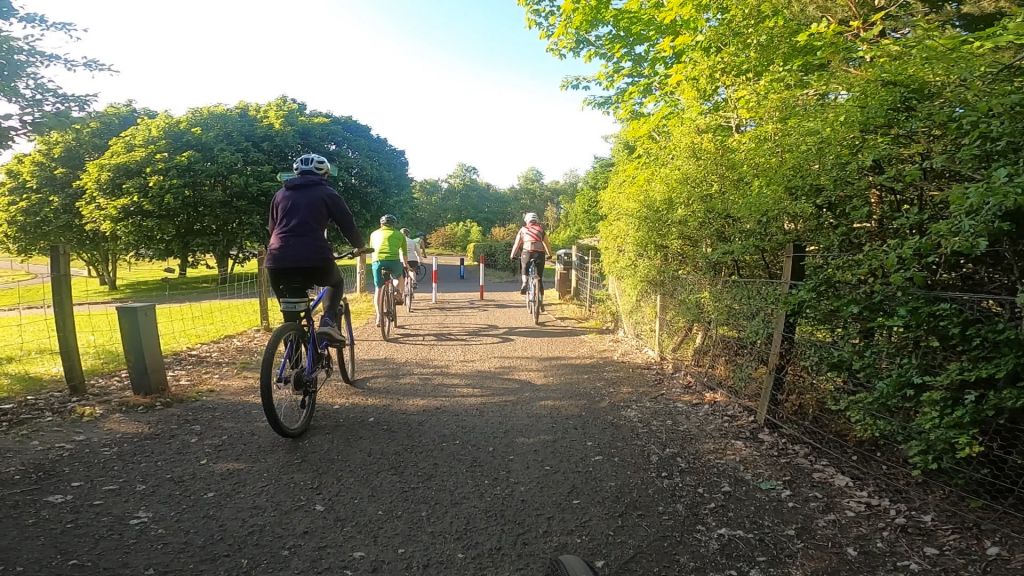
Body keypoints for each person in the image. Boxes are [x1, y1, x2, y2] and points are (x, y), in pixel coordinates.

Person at [265, 153, 365, 344]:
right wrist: (359, 245)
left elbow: (272, 228)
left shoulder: (280, 194)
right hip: (314, 256)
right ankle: (328, 322)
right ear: (325, 174)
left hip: (277, 259)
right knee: (335, 283)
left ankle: (293, 367)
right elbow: (347, 224)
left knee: (290, 317)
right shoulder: (327, 193)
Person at [370, 214, 407, 326]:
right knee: (399, 276)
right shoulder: (400, 234)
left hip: (378, 261)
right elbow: (404, 253)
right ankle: (398, 293)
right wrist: (405, 265)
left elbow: (372, 248)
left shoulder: (374, 234)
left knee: (378, 288)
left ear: (381, 224)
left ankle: (379, 317)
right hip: (394, 261)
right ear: (394, 225)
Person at [510, 212, 553, 295]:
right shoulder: (541, 230)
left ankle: (525, 283)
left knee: (524, 268)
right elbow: (547, 244)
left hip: (527, 252)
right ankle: (540, 297)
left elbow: (516, 244)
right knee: (539, 276)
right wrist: (549, 255)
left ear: (526, 220)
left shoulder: (523, 230)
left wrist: (512, 255)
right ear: (536, 221)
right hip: (539, 254)